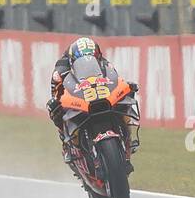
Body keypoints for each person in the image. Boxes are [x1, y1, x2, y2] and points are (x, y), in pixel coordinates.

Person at [45, 37, 132, 170]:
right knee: (55, 110)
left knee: (124, 102)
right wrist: (57, 102)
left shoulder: (105, 63)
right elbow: (55, 93)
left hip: (101, 96)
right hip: (77, 100)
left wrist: (125, 88)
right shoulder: (60, 70)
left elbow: (115, 79)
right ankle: (66, 144)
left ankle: (126, 141)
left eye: (92, 57)